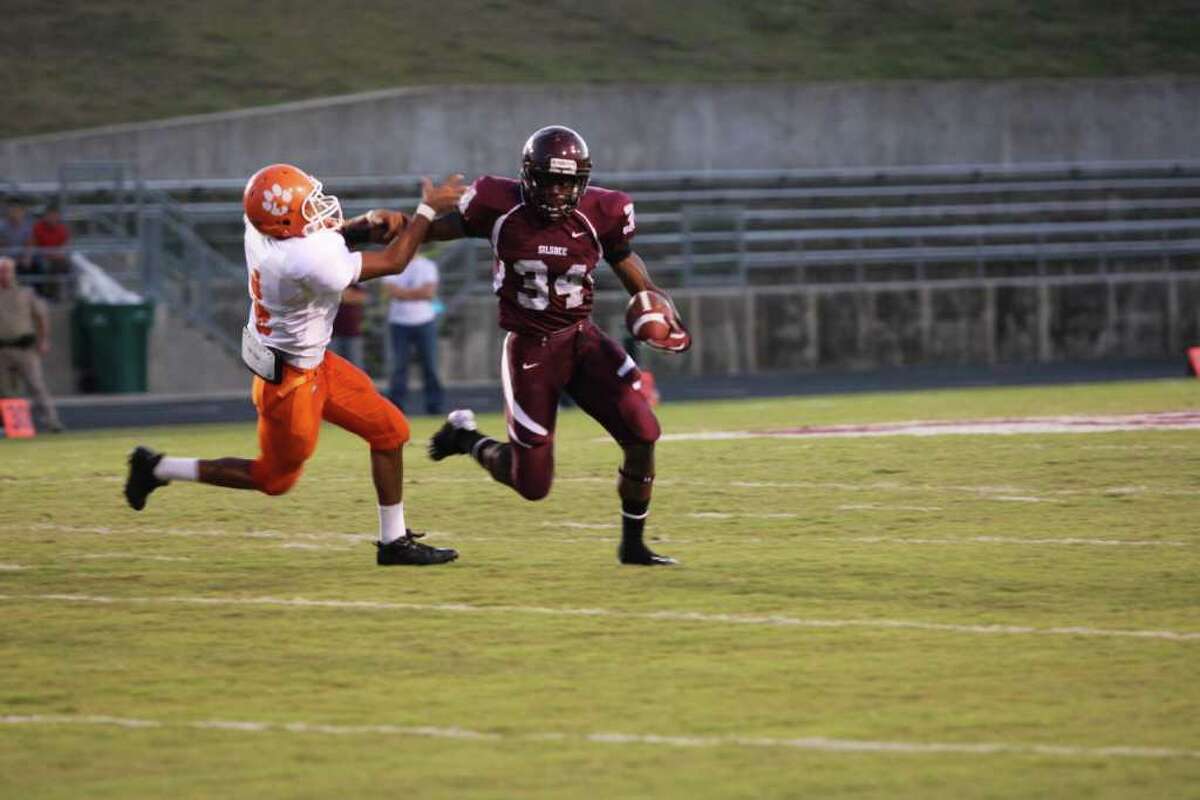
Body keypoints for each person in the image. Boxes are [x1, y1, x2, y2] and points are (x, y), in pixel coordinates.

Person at [123, 163, 465, 566]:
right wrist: (426, 210)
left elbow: (322, 236)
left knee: (390, 432)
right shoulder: (305, 261)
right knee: (274, 478)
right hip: (290, 382)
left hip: (314, 362)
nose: (317, 209)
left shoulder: (262, 230)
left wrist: (362, 226)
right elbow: (393, 262)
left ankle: (394, 542)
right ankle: (157, 467)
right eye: (307, 207)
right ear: (284, 224)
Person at [425, 125, 691, 566]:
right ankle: (466, 438)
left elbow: (628, 264)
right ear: (529, 176)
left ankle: (633, 544)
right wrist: (372, 231)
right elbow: (429, 231)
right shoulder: (497, 205)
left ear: (581, 180)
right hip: (531, 350)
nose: (556, 191)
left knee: (643, 434)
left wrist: (664, 314)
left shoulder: (602, 212)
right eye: (548, 180)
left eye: (566, 181)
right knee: (532, 485)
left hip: (582, 341)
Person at [0, 256, 65, 432]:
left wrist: (44, 339)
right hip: (2, 348)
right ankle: (14, 425)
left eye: (7, 271)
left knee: (36, 385)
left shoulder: (26, 293)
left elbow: (41, 317)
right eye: (1, 271)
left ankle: (52, 422)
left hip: (24, 348)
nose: (4, 275)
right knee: (6, 390)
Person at [382, 248, 444, 415]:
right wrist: (417, 293)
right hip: (399, 322)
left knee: (430, 365)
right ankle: (396, 406)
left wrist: (403, 294)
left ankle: (434, 406)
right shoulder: (393, 263)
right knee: (399, 367)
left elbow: (429, 293)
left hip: (424, 320)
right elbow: (392, 292)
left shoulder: (427, 265)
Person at [31, 203, 71, 301]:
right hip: (41, 257)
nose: (52, 218)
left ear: (58, 216)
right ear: (45, 216)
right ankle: (51, 295)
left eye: (54, 215)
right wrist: (48, 255)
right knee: (47, 265)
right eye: (49, 215)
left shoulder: (62, 229)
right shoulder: (38, 227)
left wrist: (57, 255)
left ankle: (53, 295)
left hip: (57, 258)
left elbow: (65, 247)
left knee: (60, 265)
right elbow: (33, 245)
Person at [328, 283, 368, 367]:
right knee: (332, 367)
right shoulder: (330, 279)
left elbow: (362, 297)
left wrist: (338, 295)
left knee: (355, 367)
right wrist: (345, 295)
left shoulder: (354, 279)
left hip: (352, 332)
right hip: (331, 333)